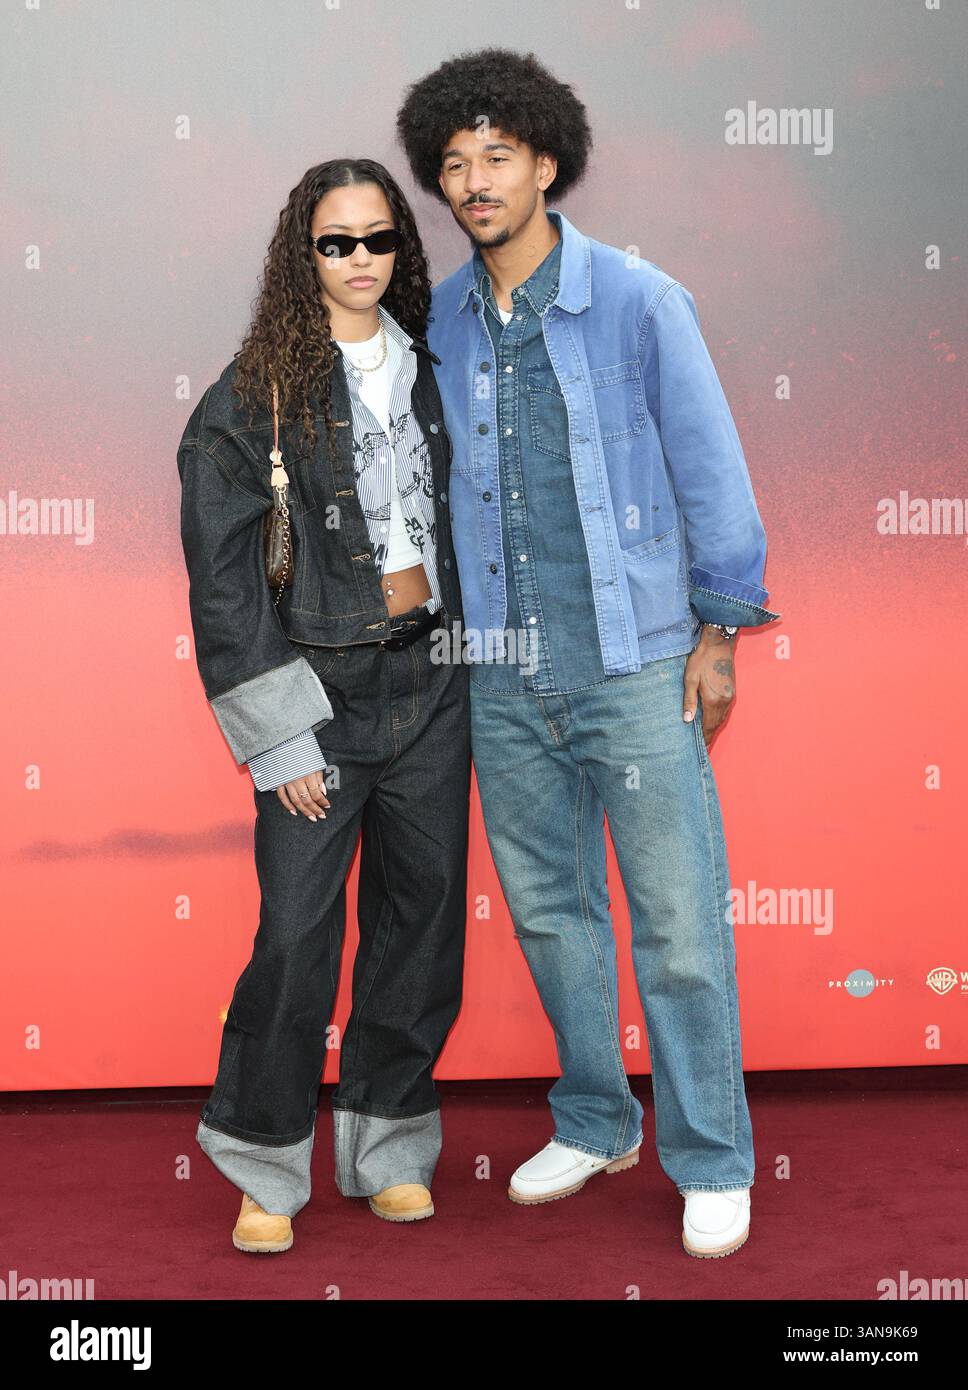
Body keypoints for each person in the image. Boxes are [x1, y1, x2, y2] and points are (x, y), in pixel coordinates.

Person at [396, 47, 781, 1258]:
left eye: (495, 156)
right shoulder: (441, 320)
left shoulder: (636, 300)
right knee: (554, 914)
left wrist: (718, 633)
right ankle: (594, 1116)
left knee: (672, 921)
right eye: (452, 164)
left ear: (545, 162)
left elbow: (711, 471)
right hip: (500, 669)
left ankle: (712, 1155)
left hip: (635, 660)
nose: (472, 181)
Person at [176, 159, 470, 1253]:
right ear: (300, 255)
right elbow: (222, 575)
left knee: (424, 922)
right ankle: (264, 1163)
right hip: (319, 691)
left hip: (434, 678)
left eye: (378, 240)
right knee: (298, 938)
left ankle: (389, 1143)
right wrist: (280, 734)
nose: (358, 261)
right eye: (335, 242)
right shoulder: (253, 392)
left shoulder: (433, 370)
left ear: (403, 250)